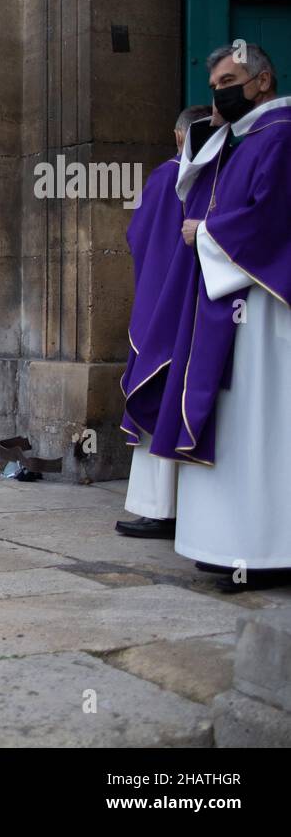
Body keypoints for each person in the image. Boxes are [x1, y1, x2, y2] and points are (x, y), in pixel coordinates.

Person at [151, 43, 291, 591]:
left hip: (261, 306)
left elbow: (271, 220)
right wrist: (213, 132)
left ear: (262, 81)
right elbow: (194, 187)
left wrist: (205, 235)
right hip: (230, 295)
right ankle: (229, 545)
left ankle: (262, 547)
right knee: (234, 420)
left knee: (257, 421)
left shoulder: (279, 136)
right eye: (213, 85)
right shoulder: (245, 136)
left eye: (229, 80)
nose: (220, 92)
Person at [115, 104, 213, 539]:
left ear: (178, 136)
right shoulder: (216, 179)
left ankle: (158, 508)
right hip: (209, 305)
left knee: (161, 389)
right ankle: (193, 510)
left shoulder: (164, 178)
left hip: (164, 305)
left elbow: (140, 239)